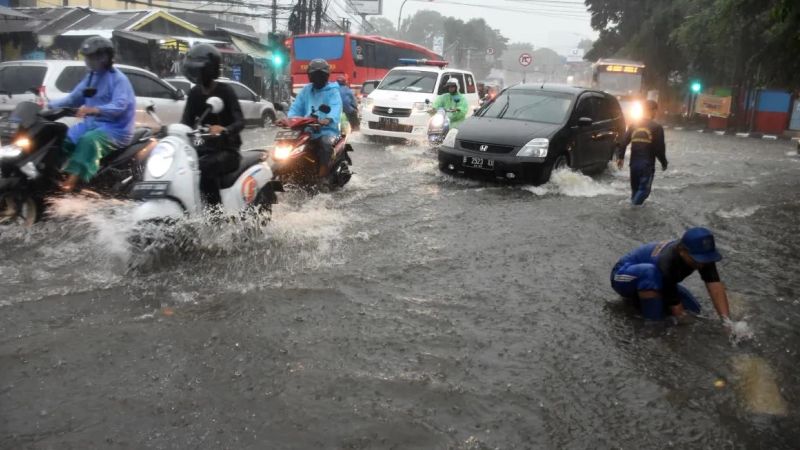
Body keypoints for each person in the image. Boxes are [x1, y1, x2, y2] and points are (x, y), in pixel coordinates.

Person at [49, 36, 136, 192]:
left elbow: (119, 106)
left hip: (116, 129)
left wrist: (95, 109)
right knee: (64, 139)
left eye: (92, 57)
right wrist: (47, 106)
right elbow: (73, 98)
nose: (88, 61)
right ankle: (55, 173)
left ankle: (71, 182)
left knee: (88, 141)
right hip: (92, 124)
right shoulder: (91, 77)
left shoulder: (119, 79)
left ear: (105, 57)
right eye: (87, 57)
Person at [610, 227, 734, 329]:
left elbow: (715, 287)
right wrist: (682, 325)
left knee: (694, 311)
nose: (701, 265)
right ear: (682, 251)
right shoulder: (667, 261)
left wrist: (727, 323)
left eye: (705, 259)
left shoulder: (703, 256)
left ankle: (645, 301)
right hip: (623, 276)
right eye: (697, 260)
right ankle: (652, 324)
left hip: (660, 281)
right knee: (649, 273)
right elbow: (676, 306)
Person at [180, 43, 244, 205]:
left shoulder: (225, 91)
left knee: (204, 167)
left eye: (199, 70)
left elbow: (240, 121)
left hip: (227, 150)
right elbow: (186, 122)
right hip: (201, 148)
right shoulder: (194, 93)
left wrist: (225, 130)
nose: (196, 74)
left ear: (210, 69)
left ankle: (214, 212)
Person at [285, 59, 342, 178]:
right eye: (315, 75)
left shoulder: (333, 91)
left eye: (320, 75)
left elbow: (336, 106)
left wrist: (328, 119)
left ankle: (323, 177)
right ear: (310, 76)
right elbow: (296, 107)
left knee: (325, 146)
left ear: (326, 76)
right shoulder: (306, 90)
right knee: (287, 142)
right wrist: (288, 119)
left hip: (326, 130)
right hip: (307, 129)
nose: (317, 78)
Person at [616, 100, 667, 205]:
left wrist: (620, 157)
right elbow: (659, 149)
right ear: (653, 111)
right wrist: (664, 163)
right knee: (644, 191)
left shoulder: (633, 125)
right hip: (647, 166)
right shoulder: (657, 127)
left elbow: (623, 142)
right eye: (656, 111)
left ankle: (633, 211)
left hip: (633, 165)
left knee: (635, 191)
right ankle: (631, 210)